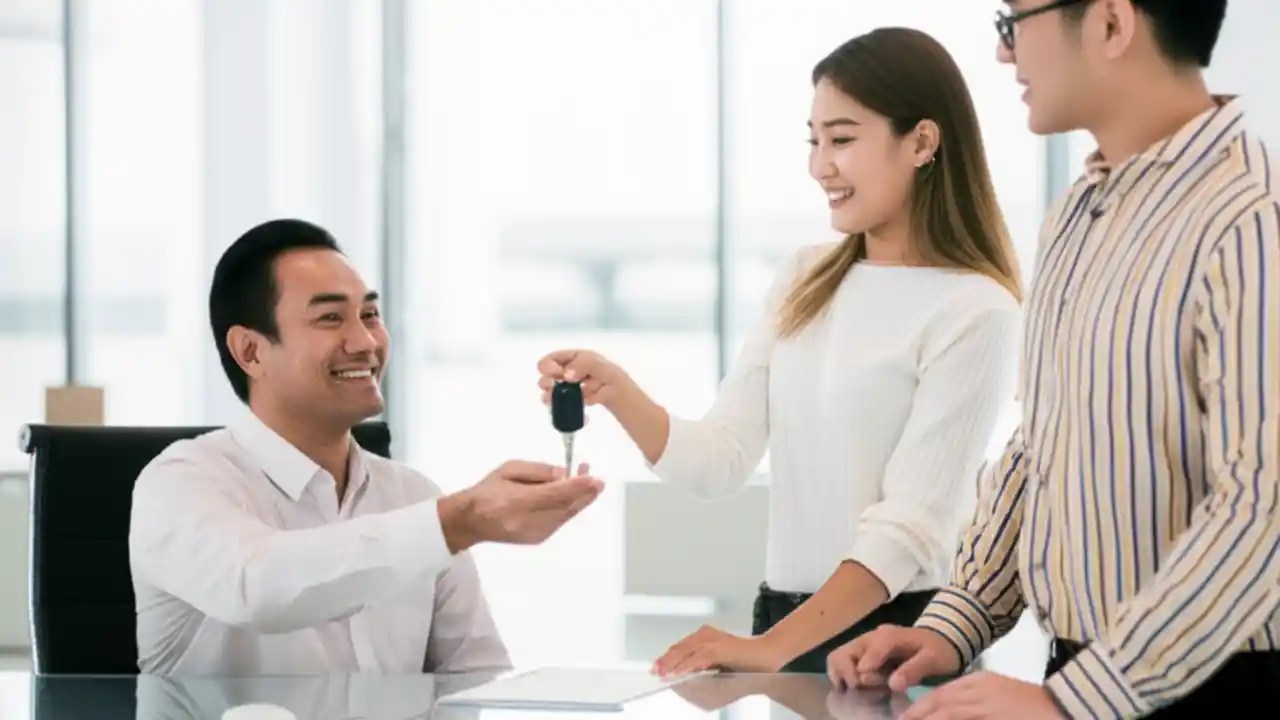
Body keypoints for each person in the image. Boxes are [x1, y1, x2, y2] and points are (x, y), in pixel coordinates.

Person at [828, 2, 1279, 718]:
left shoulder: (1249, 219)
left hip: (1211, 684)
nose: (1007, 55)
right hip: (1080, 673)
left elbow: (1263, 511)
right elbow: (1046, 441)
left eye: (1014, 23)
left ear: (1109, 23)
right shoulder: (1080, 210)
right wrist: (953, 623)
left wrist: (1074, 700)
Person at [537, 27, 1024, 675]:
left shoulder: (976, 308)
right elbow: (720, 461)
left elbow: (909, 526)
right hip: (783, 623)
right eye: (814, 139)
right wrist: (617, 390)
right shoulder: (804, 277)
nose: (820, 165)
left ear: (923, 142)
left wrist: (770, 648)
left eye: (843, 139)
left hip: (897, 635)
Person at [129, 219, 604, 675]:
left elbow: (476, 679)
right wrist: (459, 520)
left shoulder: (413, 495)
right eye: (330, 317)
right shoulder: (180, 483)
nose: (364, 341)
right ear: (251, 352)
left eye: (370, 315)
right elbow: (258, 587)